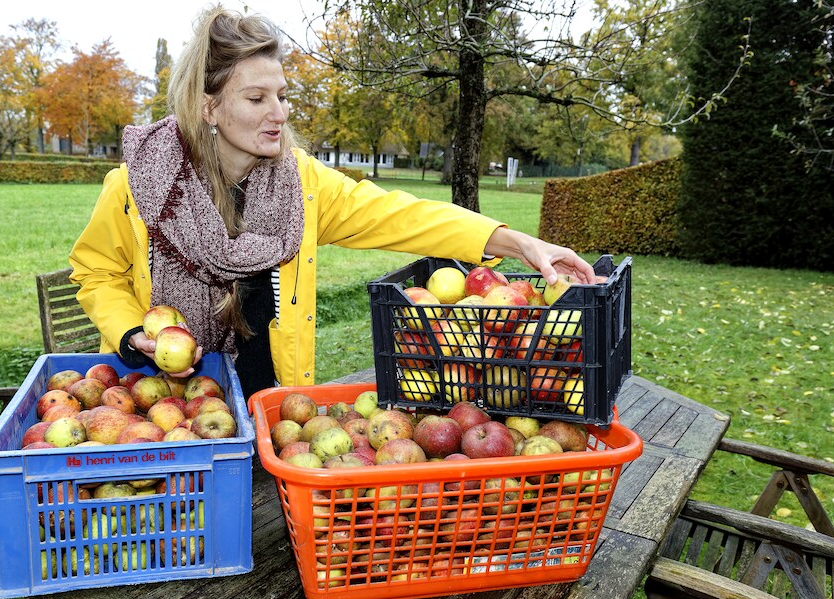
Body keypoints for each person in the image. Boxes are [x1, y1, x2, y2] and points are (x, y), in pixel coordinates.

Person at [69, 5, 596, 399]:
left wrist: (518, 242)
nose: (278, 112)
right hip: (157, 401)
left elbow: (400, 214)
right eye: (256, 98)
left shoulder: (300, 186)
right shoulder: (139, 186)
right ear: (209, 108)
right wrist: (133, 331)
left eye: (281, 94)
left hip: (267, 402)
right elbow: (96, 274)